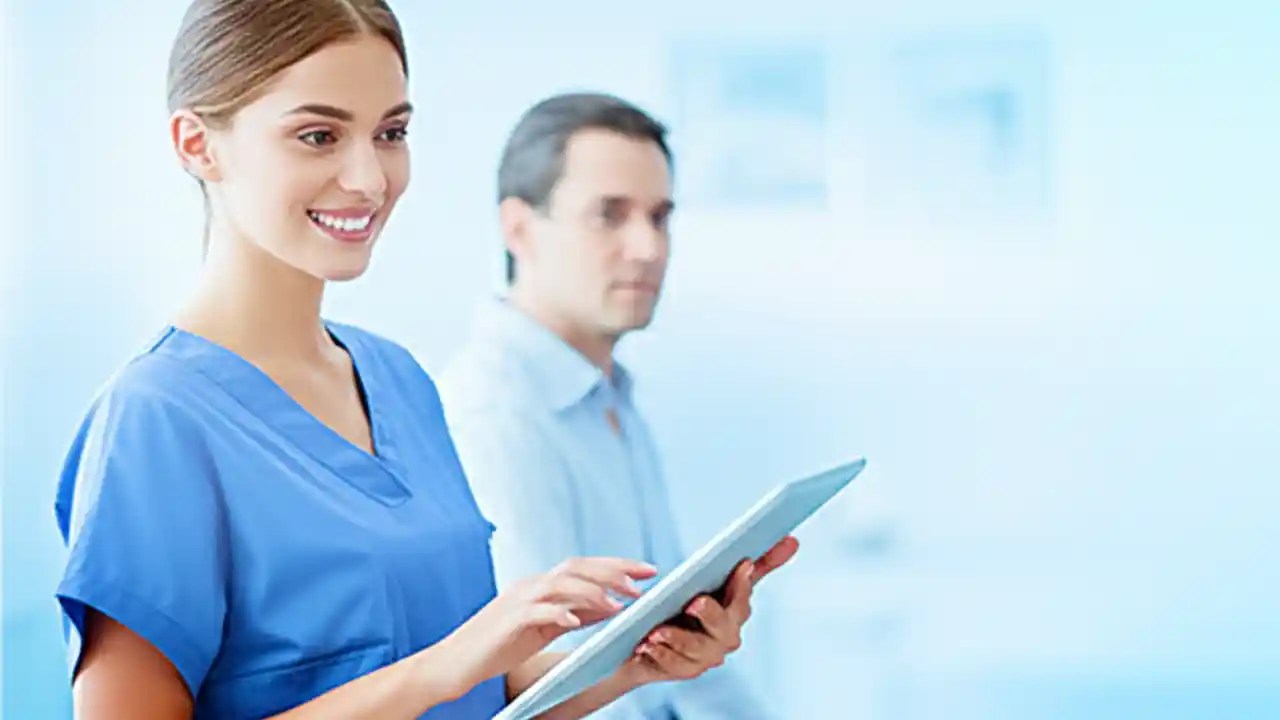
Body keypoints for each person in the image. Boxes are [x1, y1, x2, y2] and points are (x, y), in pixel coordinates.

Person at [53, 3, 789, 718]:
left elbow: (480, 690)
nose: (370, 179)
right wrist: (449, 665)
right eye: (317, 135)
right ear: (195, 144)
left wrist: (635, 662)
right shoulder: (156, 419)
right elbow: (452, 668)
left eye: (391, 132)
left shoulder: (398, 380)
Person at [440, 92, 796, 719]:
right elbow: (564, 683)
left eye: (659, 217)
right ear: (518, 229)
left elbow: (677, 664)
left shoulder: (611, 399)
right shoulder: (494, 414)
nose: (648, 247)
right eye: (610, 215)